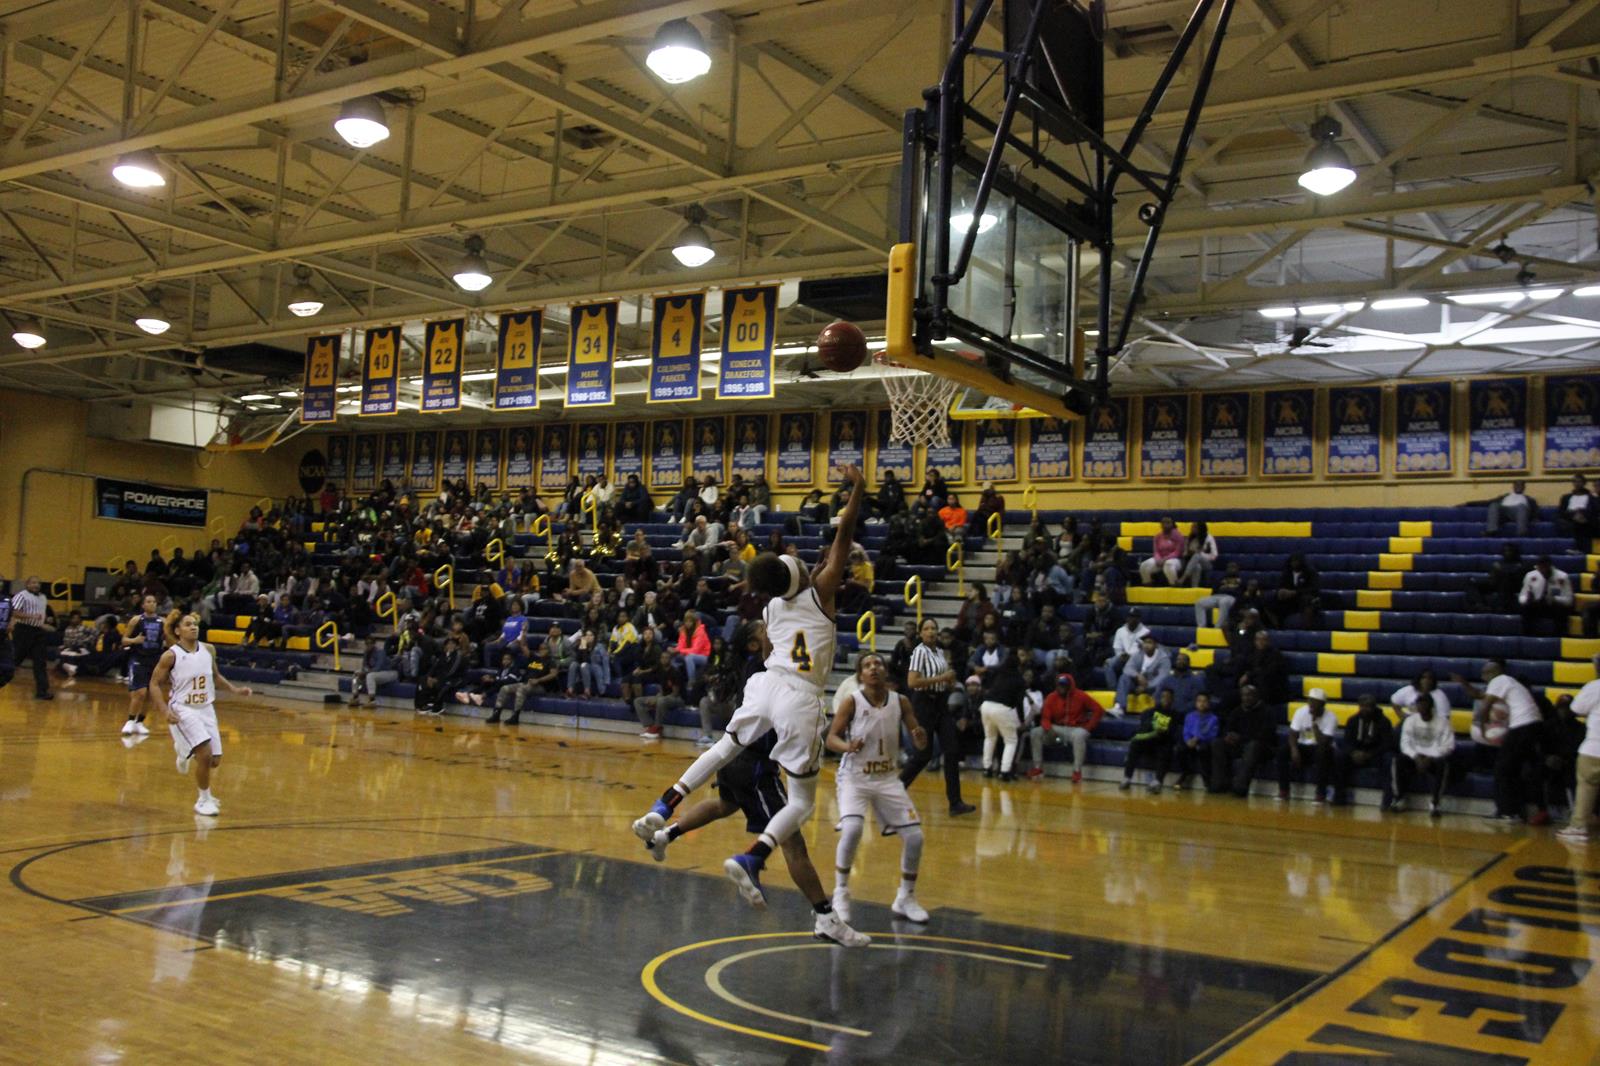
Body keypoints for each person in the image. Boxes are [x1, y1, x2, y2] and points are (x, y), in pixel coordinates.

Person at [630, 464, 869, 920]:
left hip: (767, 687)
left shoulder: (772, 606)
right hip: (800, 697)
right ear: (802, 576)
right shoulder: (820, 594)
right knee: (800, 804)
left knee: (721, 750)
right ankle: (756, 861)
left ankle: (663, 810)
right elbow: (840, 546)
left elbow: (801, 571)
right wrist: (856, 490)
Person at [643, 661, 868, 948]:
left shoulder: (759, 676)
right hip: (756, 766)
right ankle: (826, 917)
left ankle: (665, 835)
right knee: (792, 842)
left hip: (734, 755)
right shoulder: (783, 683)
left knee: (725, 804)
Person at [827, 653, 931, 924]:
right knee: (852, 830)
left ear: (886, 672)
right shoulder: (852, 701)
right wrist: (847, 746)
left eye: (878, 664)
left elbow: (919, 743)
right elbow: (831, 738)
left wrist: (920, 738)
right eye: (867, 665)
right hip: (855, 777)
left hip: (887, 778)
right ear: (860, 675)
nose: (873, 668)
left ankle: (905, 897)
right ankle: (840, 892)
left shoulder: (901, 701)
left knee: (915, 837)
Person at [147, 614, 253, 816]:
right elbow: (153, 684)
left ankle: (182, 749)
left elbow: (215, 676)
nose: (193, 627)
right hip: (183, 708)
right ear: (178, 631)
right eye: (188, 625)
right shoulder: (171, 656)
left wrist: (235, 690)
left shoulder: (208, 649)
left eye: (195, 624)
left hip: (206, 708)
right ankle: (203, 800)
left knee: (215, 760)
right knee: (204, 756)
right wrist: (164, 710)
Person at [899, 618, 975, 816]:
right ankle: (895, 791)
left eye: (934, 628)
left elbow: (944, 679)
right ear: (921, 633)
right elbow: (912, 682)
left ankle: (955, 803)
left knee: (952, 750)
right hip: (923, 703)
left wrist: (949, 682)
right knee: (923, 755)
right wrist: (942, 678)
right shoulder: (919, 652)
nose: (931, 632)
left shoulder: (940, 652)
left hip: (941, 702)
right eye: (927, 629)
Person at [1458, 659, 1547, 823]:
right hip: (1532, 725)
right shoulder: (1507, 683)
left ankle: (1508, 812)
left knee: (1502, 768)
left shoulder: (1499, 680)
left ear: (1493, 672)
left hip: (1523, 725)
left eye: (1484, 673)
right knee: (1515, 769)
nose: (1482, 676)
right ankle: (1524, 811)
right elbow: (1478, 694)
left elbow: (1485, 705)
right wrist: (1463, 683)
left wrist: (1483, 728)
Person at [1028, 673, 1103, 782]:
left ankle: (1077, 771)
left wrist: (1088, 727)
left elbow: (1098, 710)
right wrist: (1048, 728)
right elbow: (1045, 717)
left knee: (1079, 735)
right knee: (1035, 732)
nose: (1061, 688)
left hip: (1076, 729)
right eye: (1059, 685)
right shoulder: (1051, 697)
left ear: (1070, 685)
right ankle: (1037, 768)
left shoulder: (1081, 695)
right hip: (1057, 729)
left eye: (1064, 685)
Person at [1393, 693, 1457, 816]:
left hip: (1434, 758)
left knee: (1443, 764)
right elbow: (1405, 744)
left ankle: (1435, 804)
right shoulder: (1410, 721)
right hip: (1415, 757)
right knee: (1398, 760)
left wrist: (1430, 757)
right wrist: (1416, 757)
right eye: (1419, 704)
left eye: (1424, 704)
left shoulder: (1443, 722)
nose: (1421, 707)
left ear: (1431, 706)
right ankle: (1399, 799)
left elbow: (1448, 746)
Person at [1559, 658, 1600, 842]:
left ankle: (1579, 827)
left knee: (1586, 787)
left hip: (1594, 747)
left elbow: (1576, 708)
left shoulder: (1594, 686)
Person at [1332, 694, 1395, 806]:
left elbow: (1387, 744)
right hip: (1356, 754)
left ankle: (1388, 800)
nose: (1365, 709)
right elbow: (1346, 742)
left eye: (1368, 706)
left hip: (1375, 755)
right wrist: (1353, 752)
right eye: (1362, 706)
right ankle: (1339, 797)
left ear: (1374, 707)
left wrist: (1369, 754)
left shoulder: (1384, 722)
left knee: (1388, 758)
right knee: (1339, 756)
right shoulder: (1352, 720)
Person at [1211, 684, 1273, 797]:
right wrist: (1229, 736)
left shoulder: (1266, 711)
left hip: (1261, 748)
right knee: (1218, 743)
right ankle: (1220, 783)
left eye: (1249, 695)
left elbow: (1265, 735)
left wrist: (1241, 738)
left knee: (1252, 746)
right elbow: (1228, 728)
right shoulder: (1237, 710)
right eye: (1244, 695)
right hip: (1239, 745)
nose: (1246, 698)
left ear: (1256, 696)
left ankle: (1240, 786)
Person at [1276, 689, 1337, 803]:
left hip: (1322, 748)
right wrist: (1294, 750)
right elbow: (1293, 734)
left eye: (1315, 703)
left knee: (1322, 753)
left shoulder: (1331, 717)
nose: (1311, 705)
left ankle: (1320, 793)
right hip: (1303, 746)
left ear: (1323, 705)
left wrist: (1315, 727)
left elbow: (1324, 743)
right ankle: (1283, 790)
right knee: (1282, 751)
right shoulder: (1301, 712)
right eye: (1310, 701)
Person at [119, 594, 167, 734]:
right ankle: (130, 720)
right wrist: (135, 640)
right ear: (143, 605)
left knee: (151, 694)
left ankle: (140, 722)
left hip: (155, 660)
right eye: (148, 601)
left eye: (154, 602)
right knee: (140, 692)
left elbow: (168, 639)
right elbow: (124, 640)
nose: (151, 604)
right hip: (138, 659)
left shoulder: (162, 622)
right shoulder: (136, 620)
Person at [977, 650, 1026, 780]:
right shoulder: (1019, 679)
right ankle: (1004, 771)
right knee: (1011, 741)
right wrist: (1022, 720)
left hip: (986, 705)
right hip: (1002, 708)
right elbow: (1019, 703)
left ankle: (987, 769)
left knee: (989, 738)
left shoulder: (997, 673)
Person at [1121, 687, 1177, 793]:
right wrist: (1151, 729)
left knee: (1166, 748)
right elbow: (1143, 729)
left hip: (1163, 742)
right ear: (1159, 698)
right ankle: (1127, 777)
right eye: (1163, 697)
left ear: (1172, 700)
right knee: (1135, 743)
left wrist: (1163, 732)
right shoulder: (1149, 712)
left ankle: (1157, 781)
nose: (1165, 699)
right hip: (1148, 741)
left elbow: (1172, 733)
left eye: (1168, 697)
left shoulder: (1175, 714)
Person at [9, 576, 54, 701]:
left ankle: (42, 691)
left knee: (40, 662)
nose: (36, 585)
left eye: (38, 583)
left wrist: (46, 619)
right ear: (27, 584)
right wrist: (30, 616)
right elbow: (13, 612)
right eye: (33, 582)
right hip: (23, 630)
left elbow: (40, 615)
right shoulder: (21, 596)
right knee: (15, 659)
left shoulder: (43, 597)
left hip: (38, 631)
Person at [1113, 634, 1170, 716]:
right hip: (1138, 684)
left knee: (1161, 686)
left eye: (1150, 643)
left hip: (1152, 687)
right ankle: (1119, 707)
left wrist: (1146, 687)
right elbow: (1127, 668)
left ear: (1156, 645)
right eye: (1145, 642)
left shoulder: (1164, 659)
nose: (1146, 645)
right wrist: (1137, 675)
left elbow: (1162, 677)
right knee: (1124, 677)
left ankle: (1157, 713)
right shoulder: (1139, 654)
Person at [1517, 555, 1573, 636]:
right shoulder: (1531, 576)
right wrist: (1527, 599)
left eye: (1545, 568)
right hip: (1537, 605)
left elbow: (1569, 600)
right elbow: (1522, 596)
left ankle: (1558, 637)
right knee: (1525, 609)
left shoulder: (1562, 577)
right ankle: (1527, 636)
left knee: (1561, 611)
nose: (1543, 571)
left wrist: (1555, 599)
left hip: (1554, 607)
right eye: (1540, 568)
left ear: (1550, 566)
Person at [1174, 692, 1218, 789]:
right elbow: (1186, 731)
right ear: (1195, 703)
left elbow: (1212, 734)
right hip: (1190, 741)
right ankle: (1185, 772)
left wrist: (1198, 738)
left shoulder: (1213, 718)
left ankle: (1206, 778)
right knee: (1179, 749)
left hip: (1204, 742)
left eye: (1204, 701)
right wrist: (1188, 740)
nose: (1201, 703)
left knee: (1203, 749)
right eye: (1199, 701)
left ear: (1209, 703)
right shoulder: (1189, 716)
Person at [1138, 517, 1186, 585]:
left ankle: (1175, 585)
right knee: (1144, 565)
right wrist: (1158, 560)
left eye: (1168, 523)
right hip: (1160, 559)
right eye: (1163, 523)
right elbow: (1156, 551)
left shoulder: (1178, 536)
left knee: (1168, 564)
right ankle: (1148, 583)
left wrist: (1165, 559)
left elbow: (1177, 552)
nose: (1165, 525)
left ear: (1172, 524)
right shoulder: (1157, 536)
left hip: (1176, 560)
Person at [1556, 473, 1596, 547]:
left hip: (1584, 520)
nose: (1577, 484)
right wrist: (1573, 515)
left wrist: (1581, 514)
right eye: (1575, 481)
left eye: (1579, 482)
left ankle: (1579, 548)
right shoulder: (1566, 497)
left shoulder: (1591, 498)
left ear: (1584, 483)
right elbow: (1561, 512)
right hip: (1569, 519)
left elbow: (1592, 511)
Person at [1178, 521, 1218, 587]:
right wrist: (1188, 553)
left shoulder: (1209, 538)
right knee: (1197, 566)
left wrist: (1200, 554)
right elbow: (1184, 554)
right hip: (1191, 562)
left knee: (1197, 555)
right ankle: (1194, 589)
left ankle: (1183, 578)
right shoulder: (1190, 538)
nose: (1192, 528)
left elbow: (1214, 556)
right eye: (1192, 526)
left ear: (1200, 528)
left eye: (1195, 527)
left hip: (1207, 564)